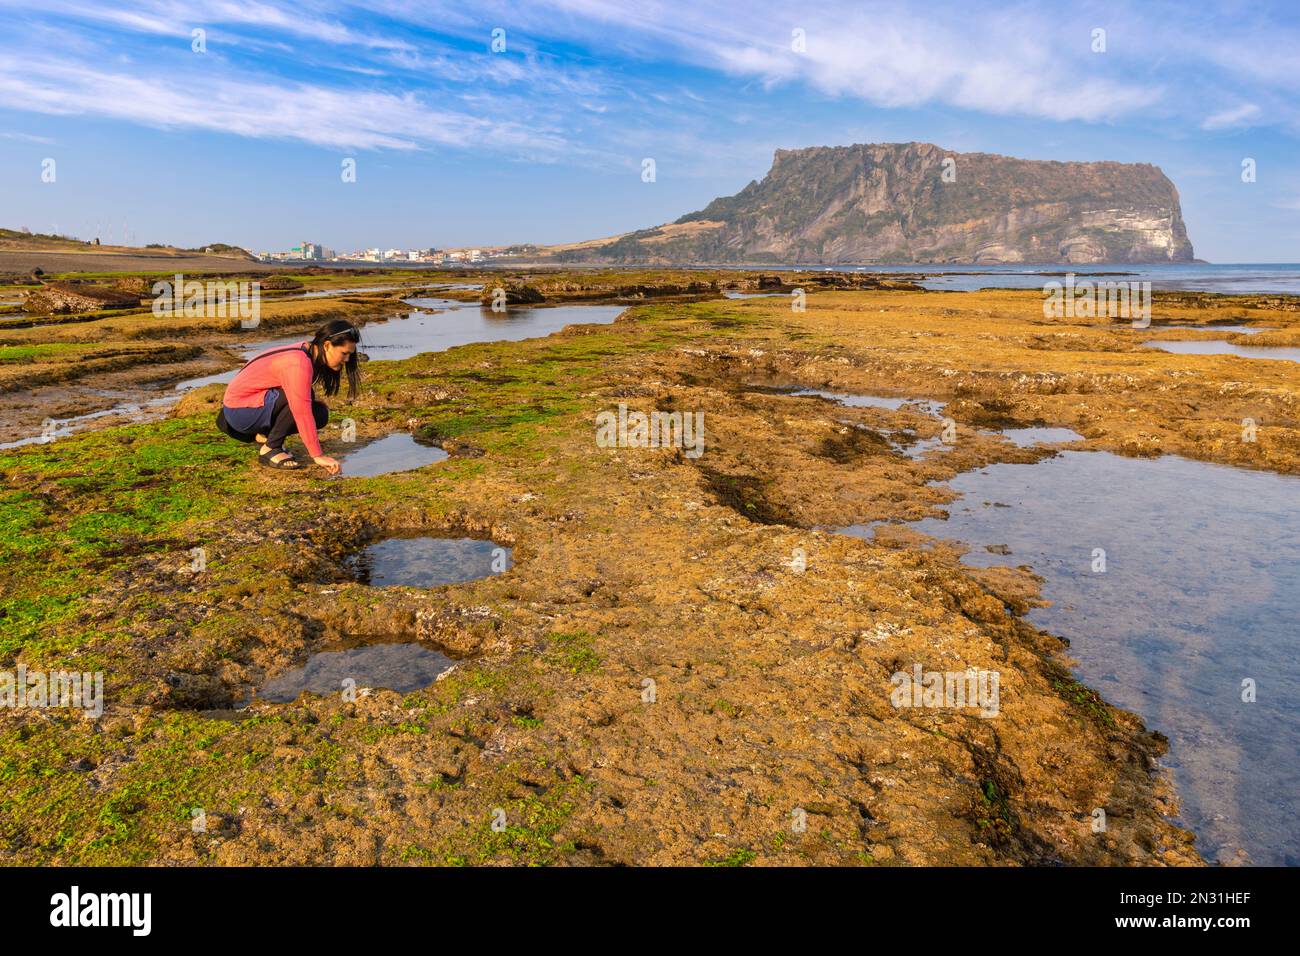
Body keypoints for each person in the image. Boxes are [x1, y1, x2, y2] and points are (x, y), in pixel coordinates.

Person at [215, 319, 360, 473]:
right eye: (344, 353)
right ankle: (271, 449)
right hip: (239, 412)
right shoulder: (298, 363)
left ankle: (264, 437)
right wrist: (318, 455)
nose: (347, 360)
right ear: (327, 345)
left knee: (319, 412)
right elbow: (301, 411)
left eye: (349, 354)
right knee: (302, 401)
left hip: (241, 408)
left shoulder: (306, 349)